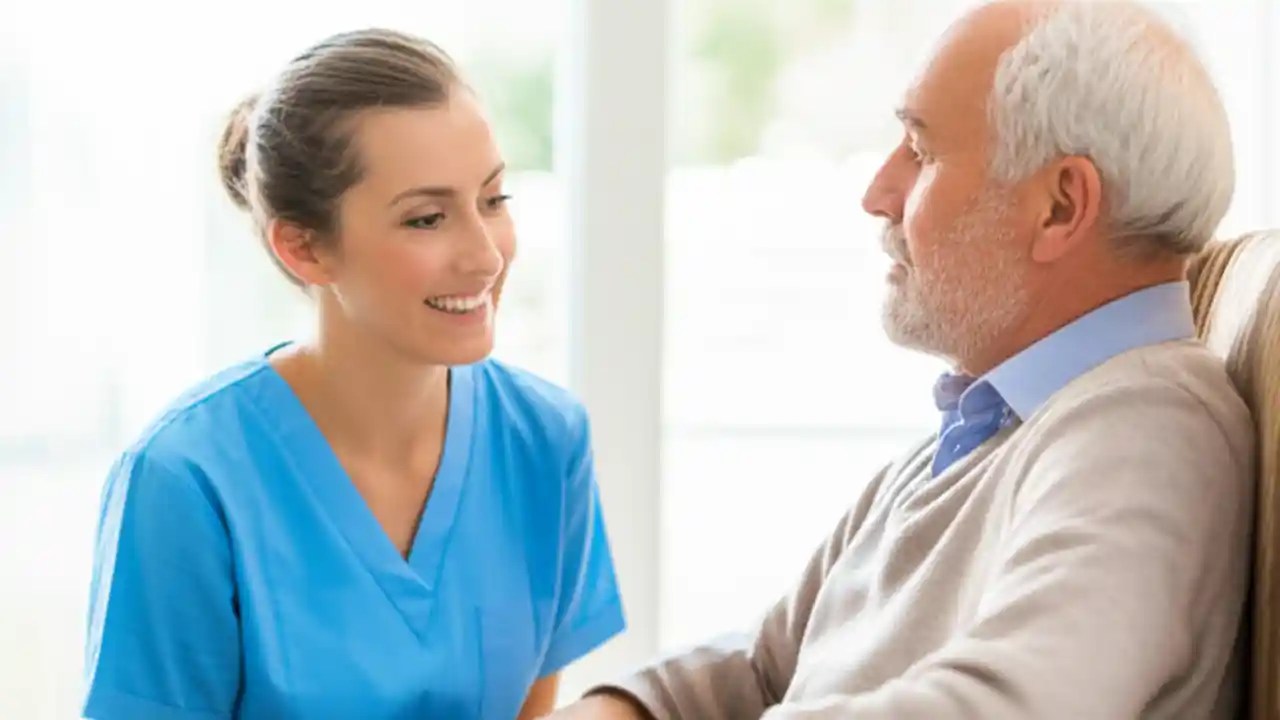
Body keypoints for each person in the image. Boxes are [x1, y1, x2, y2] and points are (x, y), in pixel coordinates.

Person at [554, 1, 1254, 718]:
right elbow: (764, 672)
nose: (877, 193)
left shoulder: (1145, 436)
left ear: (1060, 207)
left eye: (920, 152)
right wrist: (623, 709)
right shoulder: (988, 429)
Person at [81, 28, 625, 720]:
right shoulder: (184, 479)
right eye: (427, 218)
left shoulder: (546, 441)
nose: (486, 257)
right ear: (303, 247)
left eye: (493, 200)